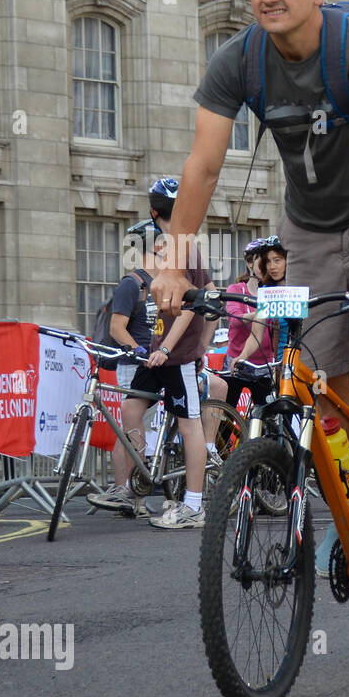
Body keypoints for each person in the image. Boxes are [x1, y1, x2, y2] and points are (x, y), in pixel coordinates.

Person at [153, 0, 349, 575]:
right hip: (305, 230)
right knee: (314, 376)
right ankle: (348, 503)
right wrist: (171, 263)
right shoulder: (240, 59)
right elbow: (201, 167)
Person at [110, 179, 218, 528]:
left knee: (190, 425)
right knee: (130, 408)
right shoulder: (177, 246)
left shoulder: (183, 248)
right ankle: (133, 487)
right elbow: (212, 294)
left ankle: (193, 505)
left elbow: (193, 305)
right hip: (157, 351)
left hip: (175, 354)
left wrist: (177, 346)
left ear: (153, 212)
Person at [86, 190, 169, 519]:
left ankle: (133, 492)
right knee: (131, 431)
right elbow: (118, 328)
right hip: (133, 365)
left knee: (140, 432)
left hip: (159, 363)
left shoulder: (164, 282)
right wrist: (138, 351)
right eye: (164, 244)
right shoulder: (131, 284)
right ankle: (126, 492)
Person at [223, 237, 280, 411]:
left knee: (266, 419)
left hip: (265, 365)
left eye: (272, 261)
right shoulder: (235, 289)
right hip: (237, 361)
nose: (268, 267)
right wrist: (263, 311)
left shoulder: (275, 291)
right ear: (249, 263)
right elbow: (235, 320)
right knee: (225, 417)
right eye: (262, 262)